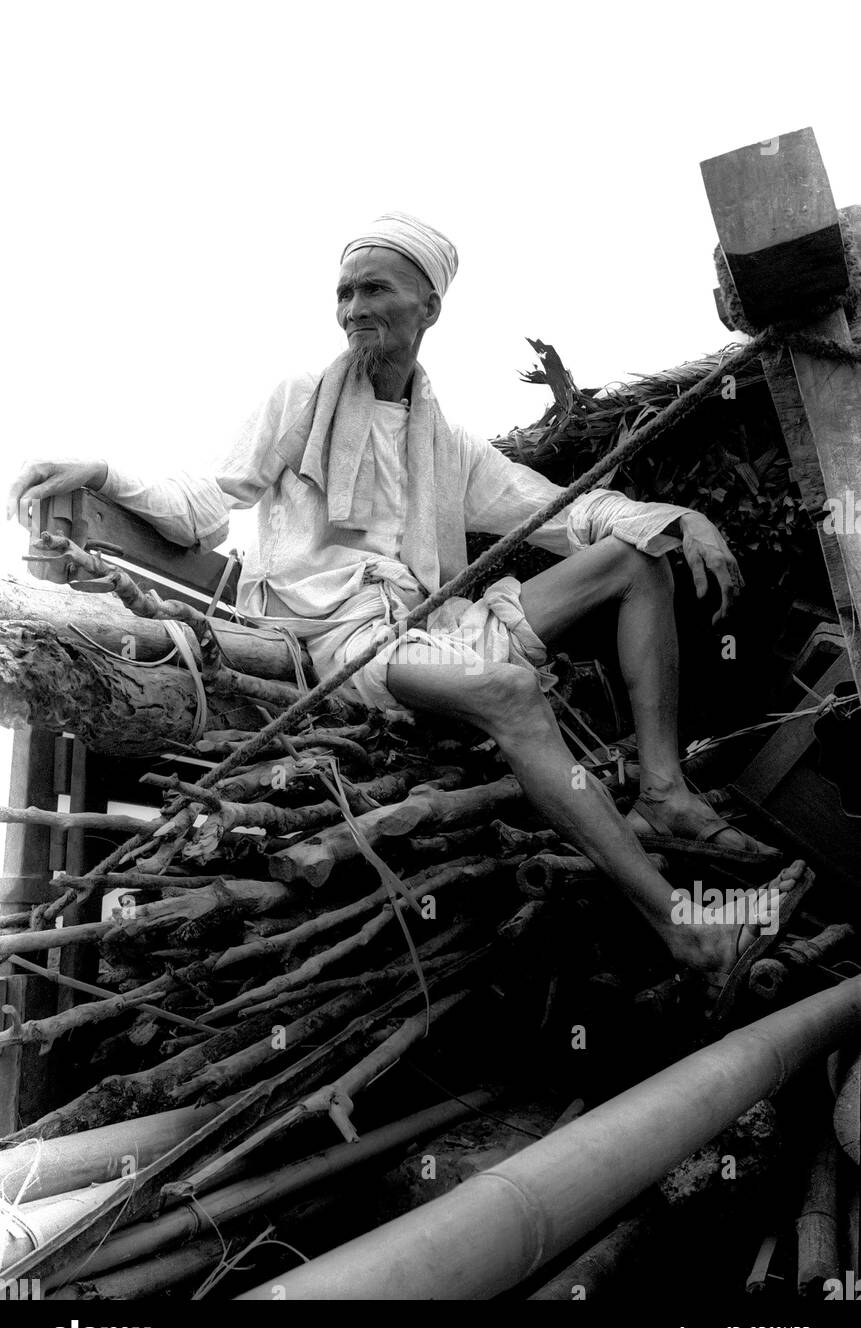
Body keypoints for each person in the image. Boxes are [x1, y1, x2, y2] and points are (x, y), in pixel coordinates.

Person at [8, 211, 804, 997]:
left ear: (428, 306)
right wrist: (105, 469)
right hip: (336, 638)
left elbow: (561, 511)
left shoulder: (444, 439)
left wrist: (675, 519)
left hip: (429, 631)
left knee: (636, 561)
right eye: (342, 293)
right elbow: (204, 500)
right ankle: (681, 925)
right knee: (509, 691)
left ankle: (664, 792)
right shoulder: (301, 396)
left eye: (372, 290)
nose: (352, 309)